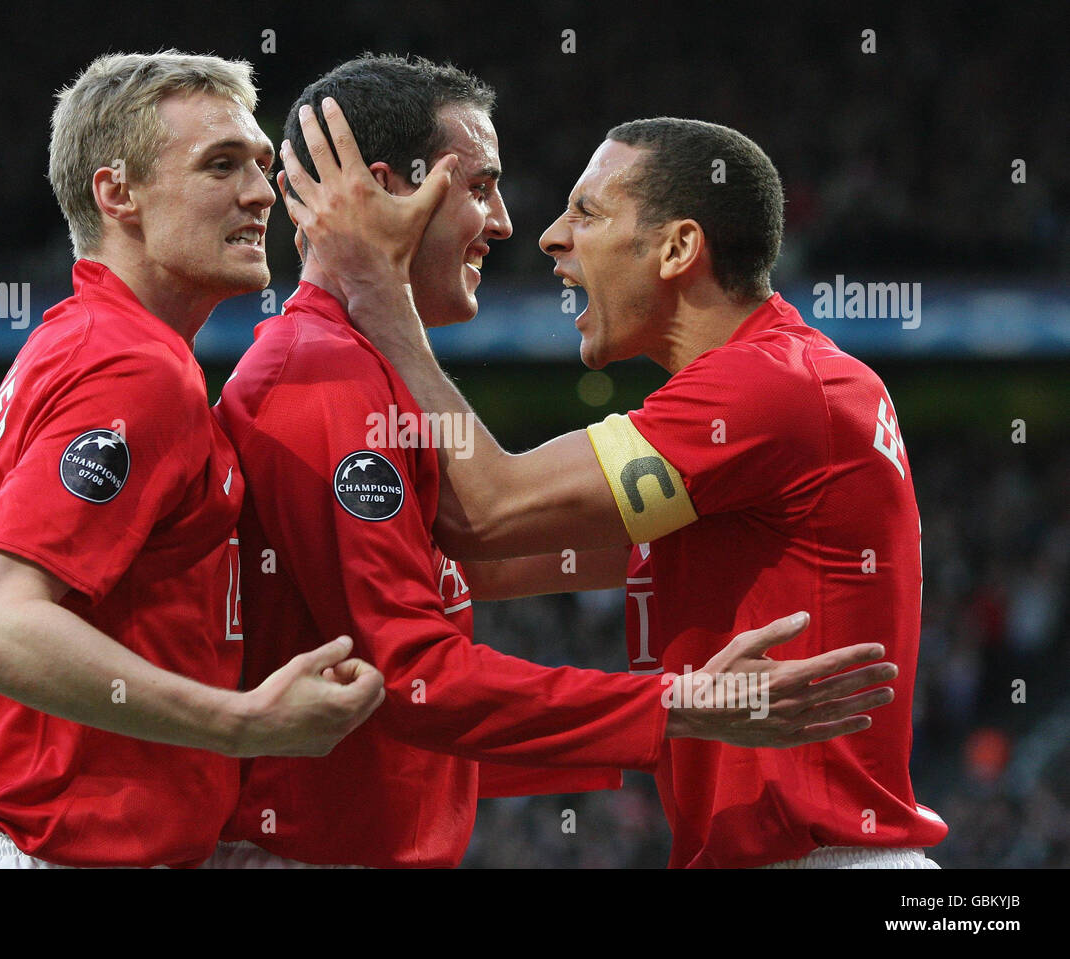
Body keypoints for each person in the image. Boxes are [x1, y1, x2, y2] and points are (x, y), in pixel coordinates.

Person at [207, 56, 899, 870]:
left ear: (679, 247)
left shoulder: (773, 388)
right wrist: (671, 707)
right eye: (482, 186)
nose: (526, 229)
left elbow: (487, 523)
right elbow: (429, 636)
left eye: (586, 212)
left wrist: (381, 295)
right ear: (385, 196)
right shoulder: (319, 373)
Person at [0, 51, 384, 870]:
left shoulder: (86, 343)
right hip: (54, 850)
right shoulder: (135, 368)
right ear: (116, 193)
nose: (262, 193)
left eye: (264, 166)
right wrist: (242, 721)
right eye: (221, 165)